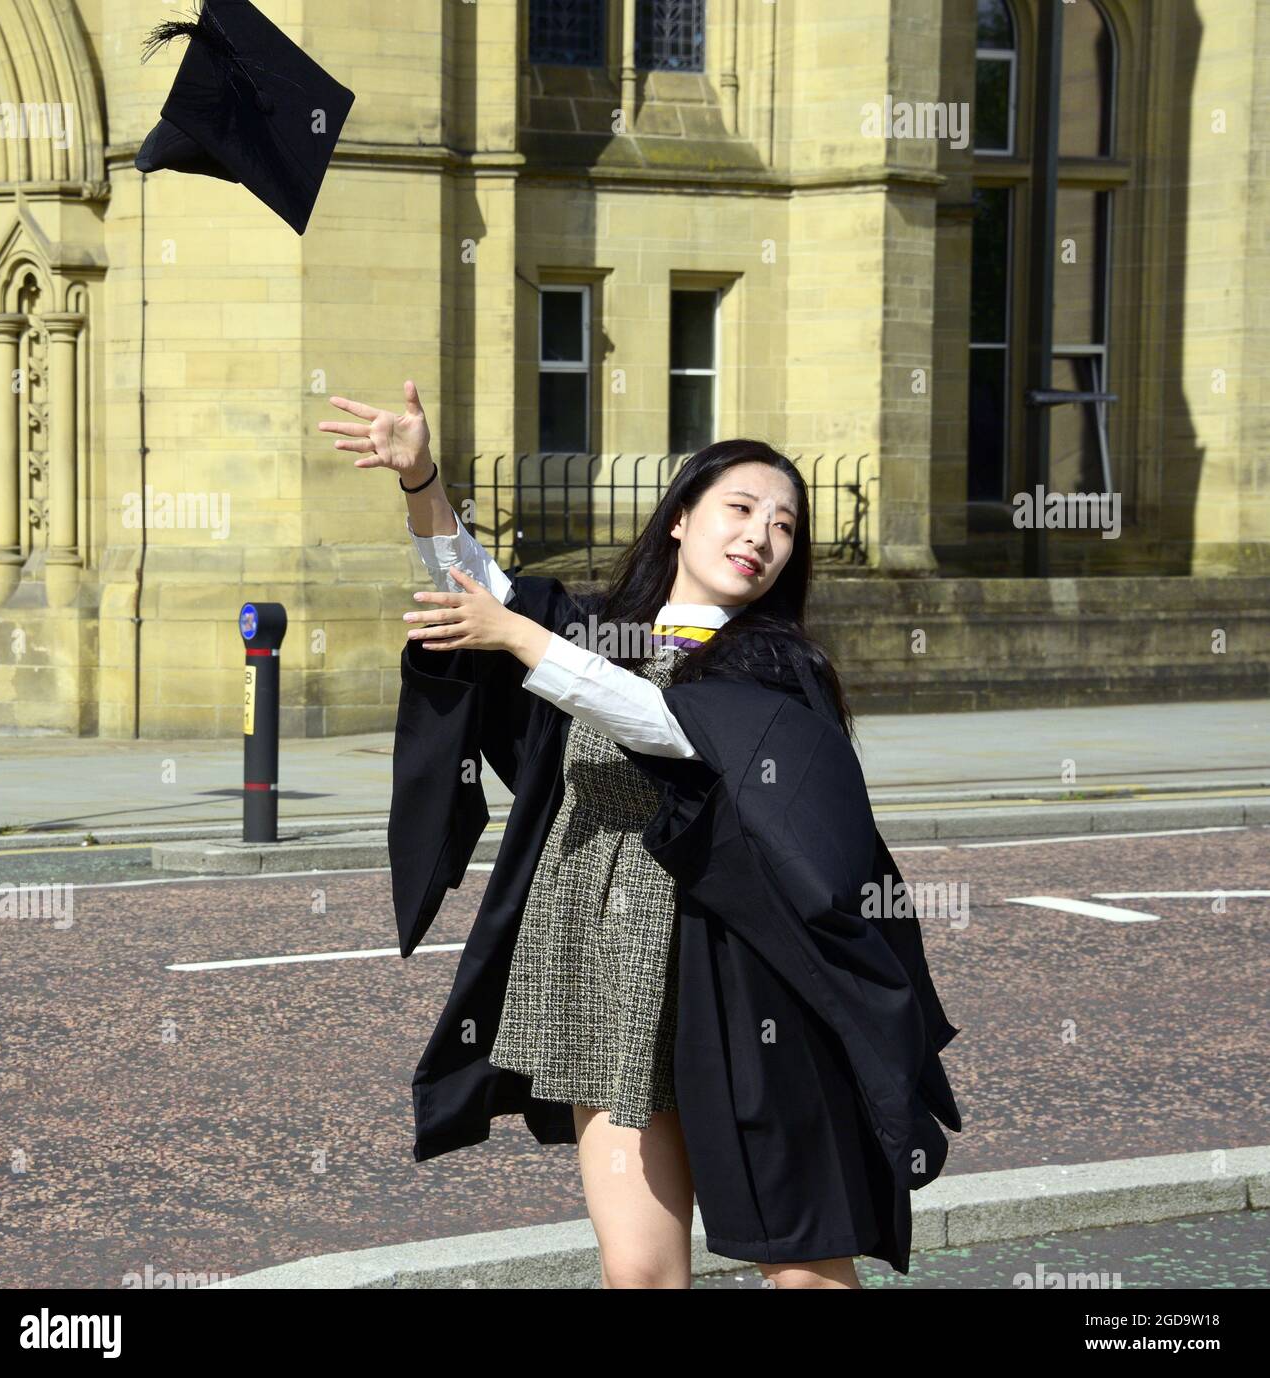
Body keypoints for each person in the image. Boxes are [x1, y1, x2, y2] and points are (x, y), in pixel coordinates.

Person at [319, 384, 961, 1290]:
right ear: (680, 520)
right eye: (740, 509)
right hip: (599, 969)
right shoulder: (598, 634)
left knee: (805, 1267)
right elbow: (473, 582)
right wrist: (421, 477)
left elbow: (666, 723)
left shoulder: (777, 666)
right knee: (641, 1276)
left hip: (738, 984)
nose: (760, 537)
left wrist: (523, 641)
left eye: (783, 526)